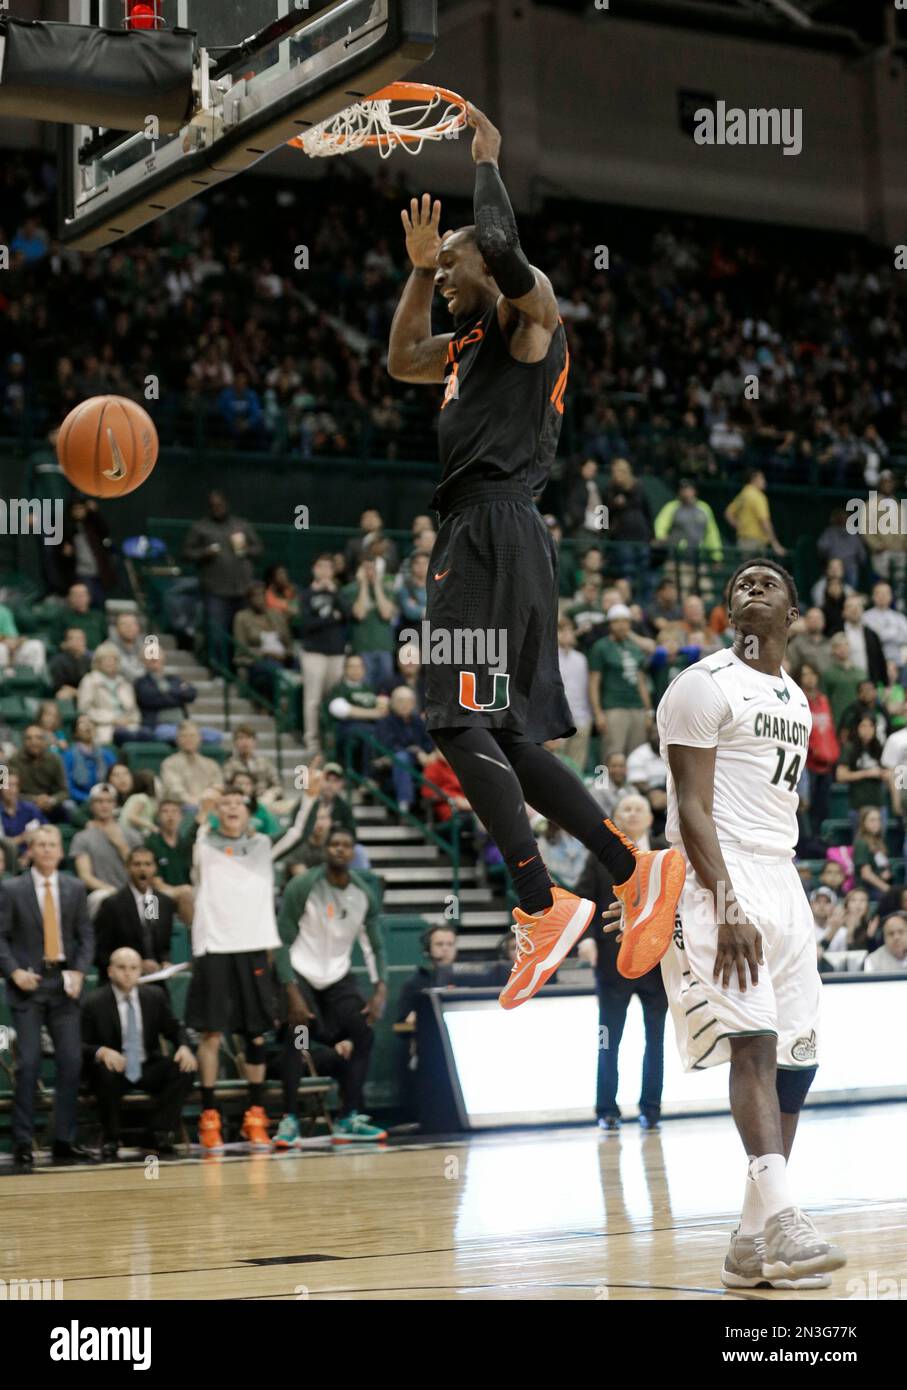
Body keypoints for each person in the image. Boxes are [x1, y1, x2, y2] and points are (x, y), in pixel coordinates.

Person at [386, 103, 683, 1011]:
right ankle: (630, 870)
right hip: (497, 536)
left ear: (494, 266)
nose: (447, 280)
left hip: (491, 530)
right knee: (504, 731)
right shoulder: (467, 342)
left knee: (447, 710)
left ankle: (537, 900)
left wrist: (485, 167)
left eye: (456, 267)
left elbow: (513, 262)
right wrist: (417, 273)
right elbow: (401, 357)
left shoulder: (528, 323)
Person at [652, 557, 846, 1288]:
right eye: (742, 582)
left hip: (781, 876)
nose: (752, 587)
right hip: (718, 876)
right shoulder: (702, 686)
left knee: (798, 1058)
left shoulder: (796, 697)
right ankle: (787, 1222)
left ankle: (746, 1241)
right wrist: (726, 902)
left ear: (793, 617)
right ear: (729, 610)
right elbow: (691, 809)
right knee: (756, 1046)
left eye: (768, 582)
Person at [275, 826, 388, 1146]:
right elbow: (281, 941)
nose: (339, 849)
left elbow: (374, 946)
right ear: (325, 850)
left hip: (337, 976)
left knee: (363, 1032)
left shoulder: (364, 894)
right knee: (297, 1038)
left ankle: (347, 1117)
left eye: (346, 845)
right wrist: (291, 989)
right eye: (334, 844)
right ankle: (289, 1120)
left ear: (352, 852)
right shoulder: (303, 885)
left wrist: (381, 987)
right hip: (301, 972)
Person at [186, 788, 281, 1151]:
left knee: (255, 1035)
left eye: (238, 803)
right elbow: (182, 854)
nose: (231, 808)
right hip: (213, 947)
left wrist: (312, 798)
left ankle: (255, 1115)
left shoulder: (262, 847)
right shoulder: (204, 845)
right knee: (211, 1034)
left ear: (248, 813)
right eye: (224, 804)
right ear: (216, 812)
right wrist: (199, 816)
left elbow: (300, 835)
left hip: (253, 947)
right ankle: (209, 1117)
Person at [0, 825, 94, 1168]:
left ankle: (64, 1140)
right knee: (28, 1064)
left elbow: (86, 936)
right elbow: (1, 938)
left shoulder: (74, 887)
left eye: (52, 844)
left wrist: (80, 971)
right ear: (31, 850)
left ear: (60, 850)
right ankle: (23, 1141)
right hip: (27, 986)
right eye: (40, 844)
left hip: (63, 987)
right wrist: (14, 972)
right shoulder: (11, 888)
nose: (47, 850)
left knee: (71, 1063)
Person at [576, 793, 669, 1132]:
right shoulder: (601, 854)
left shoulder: (665, 854)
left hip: (658, 963)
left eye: (639, 808)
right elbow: (584, 898)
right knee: (608, 1038)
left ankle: (652, 1109)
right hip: (613, 961)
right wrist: (585, 939)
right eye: (625, 809)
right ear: (615, 817)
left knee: (655, 1040)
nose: (632, 814)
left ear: (649, 818)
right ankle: (606, 1109)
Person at [81, 946, 197, 1159]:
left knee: (184, 1069)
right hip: (115, 1067)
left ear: (140, 972)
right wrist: (101, 1051)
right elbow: (79, 1044)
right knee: (102, 1073)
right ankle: (112, 1138)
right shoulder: (94, 1001)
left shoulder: (154, 996)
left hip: (146, 1064)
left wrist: (183, 1046)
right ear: (110, 971)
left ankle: (157, 1133)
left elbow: (175, 1028)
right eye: (122, 967)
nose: (128, 972)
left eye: (134, 968)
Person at [182, 491, 263, 669]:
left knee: (241, 634)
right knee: (217, 633)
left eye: (220, 505)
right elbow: (187, 553)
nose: (217, 509)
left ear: (227, 504)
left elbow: (259, 549)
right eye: (213, 506)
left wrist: (246, 549)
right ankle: (218, 670)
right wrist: (204, 553)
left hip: (242, 589)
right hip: (215, 590)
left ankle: (239, 670)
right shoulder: (200, 527)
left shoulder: (241, 525)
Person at [93, 845, 175, 976]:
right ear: (127, 868)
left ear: (154, 868)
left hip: (154, 981)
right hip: (122, 979)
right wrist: (135, 965)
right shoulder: (112, 905)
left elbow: (160, 947)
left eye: (148, 864)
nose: (142, 869)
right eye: (137, 864)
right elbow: (100, 951)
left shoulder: (162, 902)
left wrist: (164, 962)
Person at [298, 554, 349, 760]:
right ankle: (312, 740)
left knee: (333, 697)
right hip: (313, 652)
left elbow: (347, 615)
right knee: (313, 699)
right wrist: (331, 618)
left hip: (336, 651)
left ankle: (331, 739)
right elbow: (306, 624)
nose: (325, 571)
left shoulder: (339, 593)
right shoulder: (306, 594)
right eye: (321, 567)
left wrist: (335, 594)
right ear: (314, 570)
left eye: (329, 567)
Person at [588, 604, 654, 760]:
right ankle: (601, 785)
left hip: (637, 707)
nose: (621, 625)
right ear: (610, 624)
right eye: (616, 621)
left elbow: (641, 683)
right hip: (613, 707)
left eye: (625, 621)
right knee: (610, 754)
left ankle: (631, 785)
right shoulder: (601, 647)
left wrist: (648, 710)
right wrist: (598, 713)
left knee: (637, 756)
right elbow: (593, 682)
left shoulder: (634, 647)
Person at [71, 782, 131, 916]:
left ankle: (151, 936)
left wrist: (121, 845)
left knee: (153, 901)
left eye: (109, 801)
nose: (104, 805)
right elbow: (85, 876)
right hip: (102, 893)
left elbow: (140, 870)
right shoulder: (82, 837)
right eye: (99, 801)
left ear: (115, 804)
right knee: (103, 898)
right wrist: (114, 892)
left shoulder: (132, 835)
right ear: (92, 805)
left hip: (131, 892)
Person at [373, 686, 434, 813]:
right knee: (402, 758)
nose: (405, 704)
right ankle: (404, 805)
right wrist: (416, 751)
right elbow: (390, 746)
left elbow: (428, 743)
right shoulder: (385, 722)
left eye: (408, 701)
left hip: (419, 762)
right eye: (400, 701)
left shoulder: (418, 721)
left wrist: (430, 755)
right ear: (392, 703)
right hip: (391, 763)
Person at [232, 580, 293, 702]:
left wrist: (285, 654)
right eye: (255, 595)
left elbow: (288, 643)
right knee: (272, 669)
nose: (259, 599)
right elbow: (241, 649)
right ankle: (274, 709)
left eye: (262, 595)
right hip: (256, 661)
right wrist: (265, 653)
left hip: (282, 658)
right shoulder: (241, 618)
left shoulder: (276, 615)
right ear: (249, 599)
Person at [144, 798, 197, 925]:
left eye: (174, 811)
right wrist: (181, 890)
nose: (170, 815)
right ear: (158, 817)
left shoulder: (185, 844)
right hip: (158, 892)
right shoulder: (152, 843)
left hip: (187, 893)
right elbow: (155, 882)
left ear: (181, 817)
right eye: (165, 812)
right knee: (151, 899)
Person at [77, 643, 141, 747]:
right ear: (97, 663)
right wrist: (113, 719)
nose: (110, 662)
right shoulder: (89, 681)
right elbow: (84, 710)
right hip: (104, 726)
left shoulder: (125, 683)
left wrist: (131, 720)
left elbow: (135, 711)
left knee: (146, 735)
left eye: (113, 659)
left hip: (129, 725)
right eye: (105, 659)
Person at [9, 724, 70, 823]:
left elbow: (65, 791)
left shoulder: (55, 759)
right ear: (23, 741)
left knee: (69, 809)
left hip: (50, 805)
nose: (34, 742)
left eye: (38, 738)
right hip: (22, 805)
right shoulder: (11, 760)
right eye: (29, 738)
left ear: (44, 741)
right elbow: (2, 791)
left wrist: (51, 800)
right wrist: (33, 800)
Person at [160, 721, 223, 812]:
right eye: (184, 736)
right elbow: (175, 791)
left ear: (200, 738)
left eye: (192, 736)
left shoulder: (211, 764)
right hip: (182, 809)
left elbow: (217, 787)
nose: (189, 739)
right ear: (177, 739)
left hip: (208, 807)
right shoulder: (169, 763)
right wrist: (194, 801)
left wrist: (204, 801)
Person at [134, 651, 199, 740]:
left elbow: (191, 693)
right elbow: (149, 699)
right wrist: (178, 695)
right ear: (143, 661)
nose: (154, 657)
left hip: (183, 725)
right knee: (184, 736)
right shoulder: (141, 683)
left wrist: (165, 692)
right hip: (158, 727)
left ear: (163, 657)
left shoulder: (174, 679)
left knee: (213, 736)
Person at [557, 616, 593, 774]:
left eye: (569, 631)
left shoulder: (581, 659)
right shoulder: (548, 657)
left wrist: (588, 716)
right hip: (557, 720)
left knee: (577, 766)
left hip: (581, 717)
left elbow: (585, 689)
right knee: (557, 764)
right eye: (561, 631)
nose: (566, 635)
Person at [724, 469, 785, 556]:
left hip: (743, 541)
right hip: (756, 543)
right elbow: (764, 521)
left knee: (745, 568)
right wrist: (775, 544)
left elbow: (728, 513)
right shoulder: (758, 496)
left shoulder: (744, 493)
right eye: (762, 478)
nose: (764, 481)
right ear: (754, 479)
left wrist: (739, 527)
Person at [0, 770, 47, 861]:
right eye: (7, 785)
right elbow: (2, 844)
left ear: (19, 788)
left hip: (31, 857)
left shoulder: (30, 809)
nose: (11, 789)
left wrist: (29, 854)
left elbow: (46, 831)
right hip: (5, 860)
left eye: (14, 785)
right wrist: (21, 838)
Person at [48, 582, 107, 650]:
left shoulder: (98, 616)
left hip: (96, 655)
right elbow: (56, 641)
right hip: (71, 656)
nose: (79, 598)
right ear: (69, 598)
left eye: (82, 595)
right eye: (75, 595)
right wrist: (71, 648)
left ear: (89, 597)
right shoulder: (62, 617)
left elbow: (105, 639)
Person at [851, 806, 892, 902]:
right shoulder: (861, 843)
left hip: (878, 887)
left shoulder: (878, 842)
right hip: (868, 890)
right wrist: (887, 888)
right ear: (863, 823)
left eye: (878, 820)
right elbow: (866, 874)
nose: (876, 823)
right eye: (872, 820)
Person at [48, 626, 91, 698]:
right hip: (69, 692)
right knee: (62, 695)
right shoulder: (58, 661)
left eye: (81, 639)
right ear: (66, 642)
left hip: (87, 692)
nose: (78, 642)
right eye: (75, 639)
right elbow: (59, 685)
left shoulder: (89, 660)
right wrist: (76, 692)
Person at [108, 612, 146, 684]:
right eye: (124, 624)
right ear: (116, 628)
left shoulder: (145, 646)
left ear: (138, 627)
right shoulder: (108, 648)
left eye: (132, 624)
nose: (129, 627)